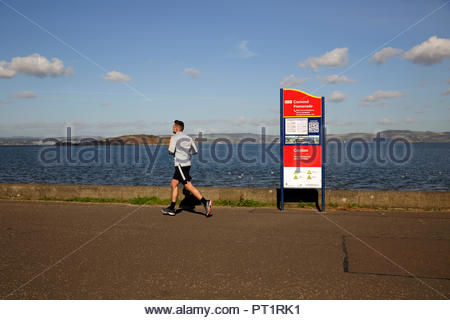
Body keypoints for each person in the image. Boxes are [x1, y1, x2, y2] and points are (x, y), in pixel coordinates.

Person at [161, 120, 213, 216]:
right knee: (174, 183)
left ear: (176, 128)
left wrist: (170, 143)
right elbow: (194, 151)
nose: (172, 128)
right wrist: (185, 153)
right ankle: (172, 208)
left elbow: (170, 152)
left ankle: (206, 202)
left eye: (173, 127)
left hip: (180, 165)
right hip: (187, 164)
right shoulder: (188, 138)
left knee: (188, 186)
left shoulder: (174, 137)